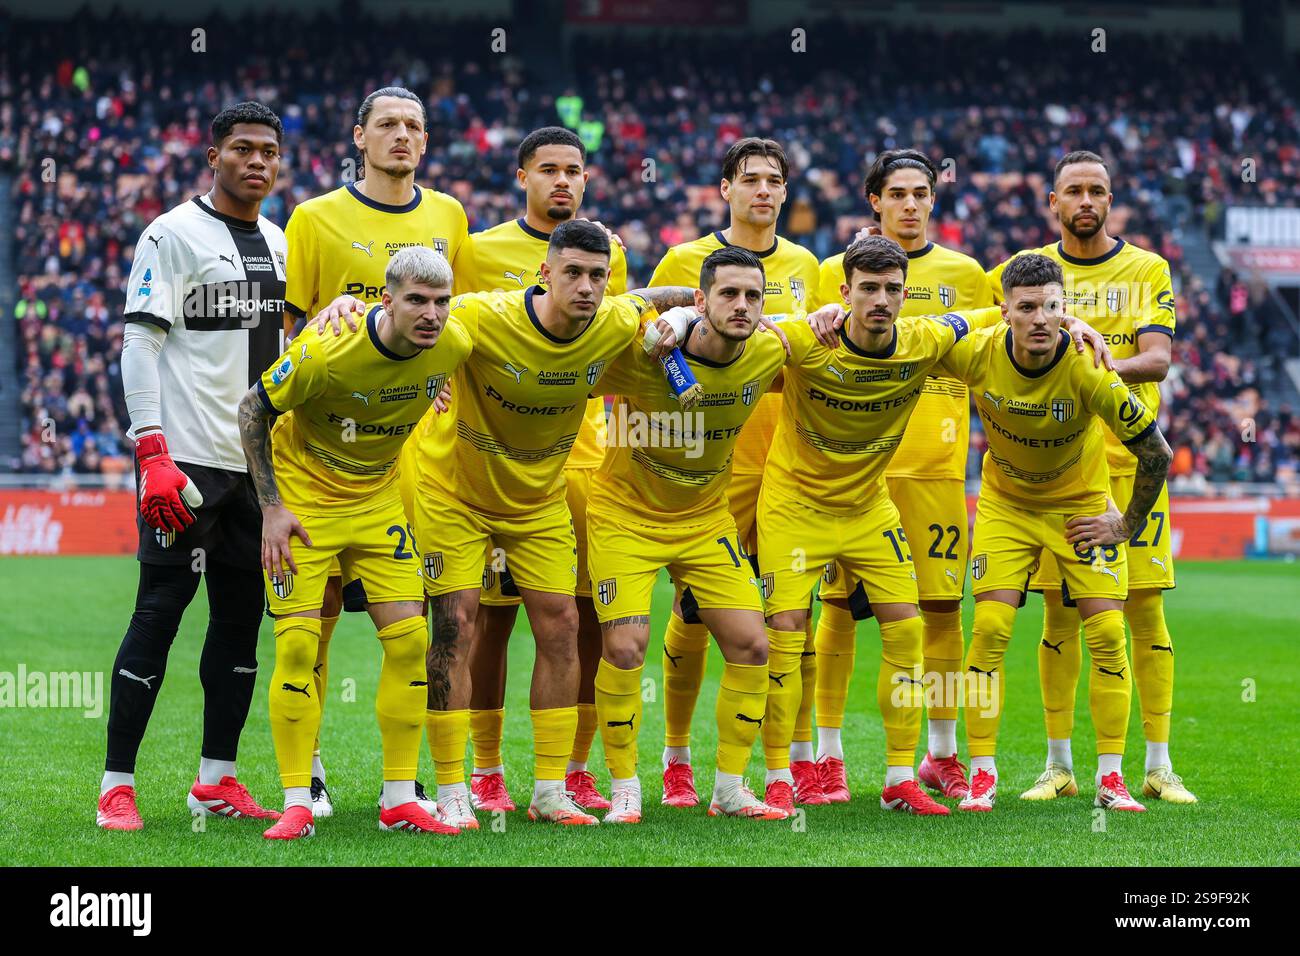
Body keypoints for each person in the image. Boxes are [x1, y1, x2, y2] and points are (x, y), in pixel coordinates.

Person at [411, 220, 697, 825]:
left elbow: (659, 299)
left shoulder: (615, 321)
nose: (587, 286)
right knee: (455, 628)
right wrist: (344, 309)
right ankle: (454, 788)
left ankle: (547, 789)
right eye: (573, 272)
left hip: (537, 500)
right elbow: (412, 314)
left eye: (597, 275)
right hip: (455, 492)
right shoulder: (483, 315)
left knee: (563, 625)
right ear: (544, 274)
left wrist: (696, 312)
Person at [97, 102, 286, 831]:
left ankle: (217, 779)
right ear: (213, 156)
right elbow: (138, 343)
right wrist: (152, 452)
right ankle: (117, 783)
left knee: (241, 627)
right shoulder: (171, 233)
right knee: (158, 614)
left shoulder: (277, 239)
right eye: (242, 149)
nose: (257, 161)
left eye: (268, 150)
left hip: (254, 472)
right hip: (186, 466)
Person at [282, 86, 469, 818]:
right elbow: (287, 334)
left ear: (426, 140)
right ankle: (313, 770)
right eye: (387, 124)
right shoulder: (315, 218)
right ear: (358, 135)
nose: (401, 136)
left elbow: (461, 319)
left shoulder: (449, 215)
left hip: (412, 450)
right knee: (317, 611)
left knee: (412, 619)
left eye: (414, 126)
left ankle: (405, 779)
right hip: (324, 445)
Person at [239, 246, 469, 839]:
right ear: (384, 300)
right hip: (304, 508)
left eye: (441, 302)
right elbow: (251, 410)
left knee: (412, 642)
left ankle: (398, 797)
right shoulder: (327, 349)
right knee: (296, 648)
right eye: (416, 300)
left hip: (376, 503)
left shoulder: (453, 343)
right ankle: (296, 799)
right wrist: (271, 508)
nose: (431, 314)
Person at [987, 151, 1194, 805]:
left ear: (1111, 200)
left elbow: (1158, 359)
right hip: (1057, 471)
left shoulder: (1146, 269)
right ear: (1053, 201)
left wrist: (1095, 363)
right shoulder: (1028, 274)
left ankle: (1157, 766)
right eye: (1073, 190)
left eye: (1097, 191)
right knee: (1060, 612)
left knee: (1143, 610)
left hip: (1131, 463)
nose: (1086, 200)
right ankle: (1059, 765)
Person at [940, 252, 1171, 813]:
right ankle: (982, 773)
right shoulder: (977, 352)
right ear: (1005, 313)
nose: (1040, 318)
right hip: (1007, 505)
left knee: (1109, 635)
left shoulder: (1090, 369)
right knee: (990, 628)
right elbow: (908, 341)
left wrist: (1126, 522)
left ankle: (1111, 778)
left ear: (1064, 309)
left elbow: (1156, 453)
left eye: (1051, 307)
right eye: (1026, 308)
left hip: (1080, 508)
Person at [450, 126, 629, 817]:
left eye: (574, 170)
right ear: (522, 175)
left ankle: (569, 772)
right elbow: (444, 332)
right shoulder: (481, 250)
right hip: (489, 463)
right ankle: (487, 771)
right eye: (548, 169)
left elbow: (622, 330)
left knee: (577, 616)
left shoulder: (606, 247)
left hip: (579, 460)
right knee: (486, 622)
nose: (562, 181)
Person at [810, 149, 995, 803]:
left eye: (923, 192)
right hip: (858, 471)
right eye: (899, 193)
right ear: (875, 200)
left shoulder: (968, 275)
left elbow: (994, 351)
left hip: (936, 472)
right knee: (836, 612)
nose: (912, 203)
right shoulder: (837, 271)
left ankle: (939, 754)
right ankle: (827, 759)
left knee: (942, 612)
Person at [646, 136, 821, 808]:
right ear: (725, 188)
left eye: (775, 180)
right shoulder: (686, 260)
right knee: (692, 616)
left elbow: (809, 357)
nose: (764, 191)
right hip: (712, 469)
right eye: (750, 179)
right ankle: (676, 759)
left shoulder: (806, 265)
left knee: (786, 619)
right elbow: (655, 348)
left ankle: (789, 764)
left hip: (786, 469)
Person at [589, 246, 790, 823]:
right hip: (625, 516)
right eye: (728, 293)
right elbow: (580, 331)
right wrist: (667, 314)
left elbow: (846, 329)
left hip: (705, 521)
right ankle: (625, 786)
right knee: (626, 649)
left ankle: (729, 788)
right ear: (700, 300)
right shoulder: (641, 355)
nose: (743, 306)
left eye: (754, 296)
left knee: (754, 645)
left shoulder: (771, 349)